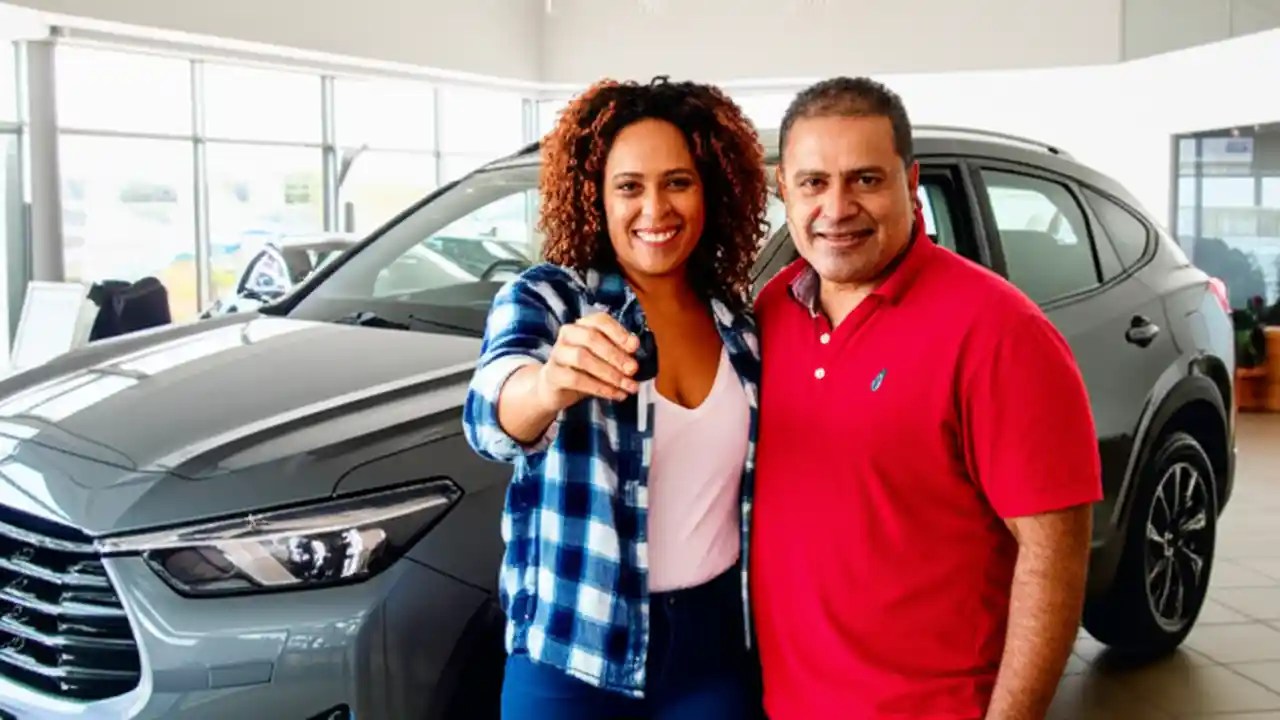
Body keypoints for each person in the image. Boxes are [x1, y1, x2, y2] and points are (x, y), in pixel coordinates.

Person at [750, 76, 1103, 720]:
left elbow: (1053, 555)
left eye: (865, 179)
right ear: (784, 191)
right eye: (813, 183)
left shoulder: (1000, 332)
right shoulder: (771, 312)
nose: (836, 207)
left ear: (910, 184)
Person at [462, 76, 771, 720]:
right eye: (629, 186)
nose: (655, 209)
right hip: (575, 649)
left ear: (710, 191)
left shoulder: (739, 329)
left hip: (712, 649)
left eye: (678, 182)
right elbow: (491, 412)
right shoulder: (549, 299)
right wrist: (548, 385)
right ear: (595, 198)